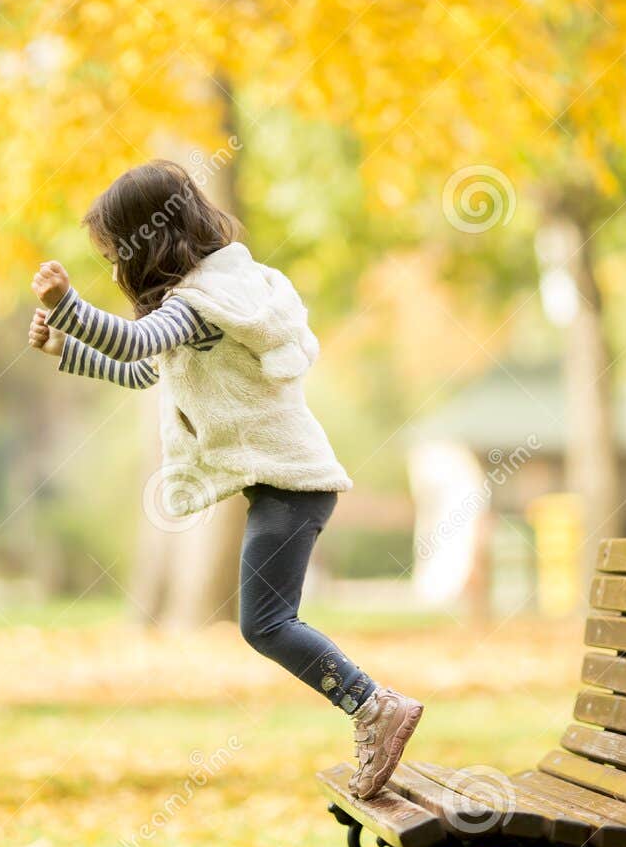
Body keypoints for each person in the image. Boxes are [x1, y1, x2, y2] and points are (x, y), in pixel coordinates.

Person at [28, 159, 422, 798]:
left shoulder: (201, 304)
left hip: (292, 485)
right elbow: (144, 373)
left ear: (147, 242)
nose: (113, 271)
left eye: (114, 256)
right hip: (285, 485)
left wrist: (69, 307)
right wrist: (66, 350)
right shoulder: (220, 294)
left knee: (264, 623)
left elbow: (132, 344)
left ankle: (374, 707)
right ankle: (371, 707)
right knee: (266, 621)